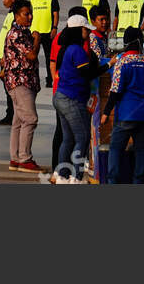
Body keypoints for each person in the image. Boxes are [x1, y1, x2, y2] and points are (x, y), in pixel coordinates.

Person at [103, 27, 144, 183]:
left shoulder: (122, 62)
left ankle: (113, 181)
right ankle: (138, 182)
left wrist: (106, 112)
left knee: (116, 148)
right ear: (140, 41)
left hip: (126, 114)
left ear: (125, 42)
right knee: (141, 151)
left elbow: (115, 91)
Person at [50, 13, 98, 183]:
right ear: (79, 30)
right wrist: (109, 64)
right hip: (72, 99)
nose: (89, 33)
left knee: (68, 138)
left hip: (61, 96)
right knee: (82, 138)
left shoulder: (66, 48)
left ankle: (60, 174)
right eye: (86, 29)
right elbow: (88, 73)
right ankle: (75, 177)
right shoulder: (77, 50)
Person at [0, 0, 43, 173]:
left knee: (18, 121)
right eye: (26, 14)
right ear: (16, 16)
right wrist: (37, 40)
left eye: (31, 13)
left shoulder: (23, 32)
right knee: (30, 119)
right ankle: (25, 158)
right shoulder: (17, 34)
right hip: (20, 81)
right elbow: (32, 55)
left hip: (24, 81)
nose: (30, 16)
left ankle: (16, 159)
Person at [0, 0, 18, 125]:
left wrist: (5, 57)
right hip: (3, 57)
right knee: (7, 88)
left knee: (10, 89)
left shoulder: (14, 15)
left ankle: (12, 115)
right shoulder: (10, 14)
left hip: (8, 59)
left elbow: (10, 39)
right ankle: (11, 113)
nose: (4, 1)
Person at [28, 0, 59, 87]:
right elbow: (29, 15)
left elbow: (55, 14)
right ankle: (32, 78)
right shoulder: (32, 0)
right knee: (32, 57)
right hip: (35, 33)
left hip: (48, 33)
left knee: (49, 58)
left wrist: (54, 28)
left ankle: (50, 79)